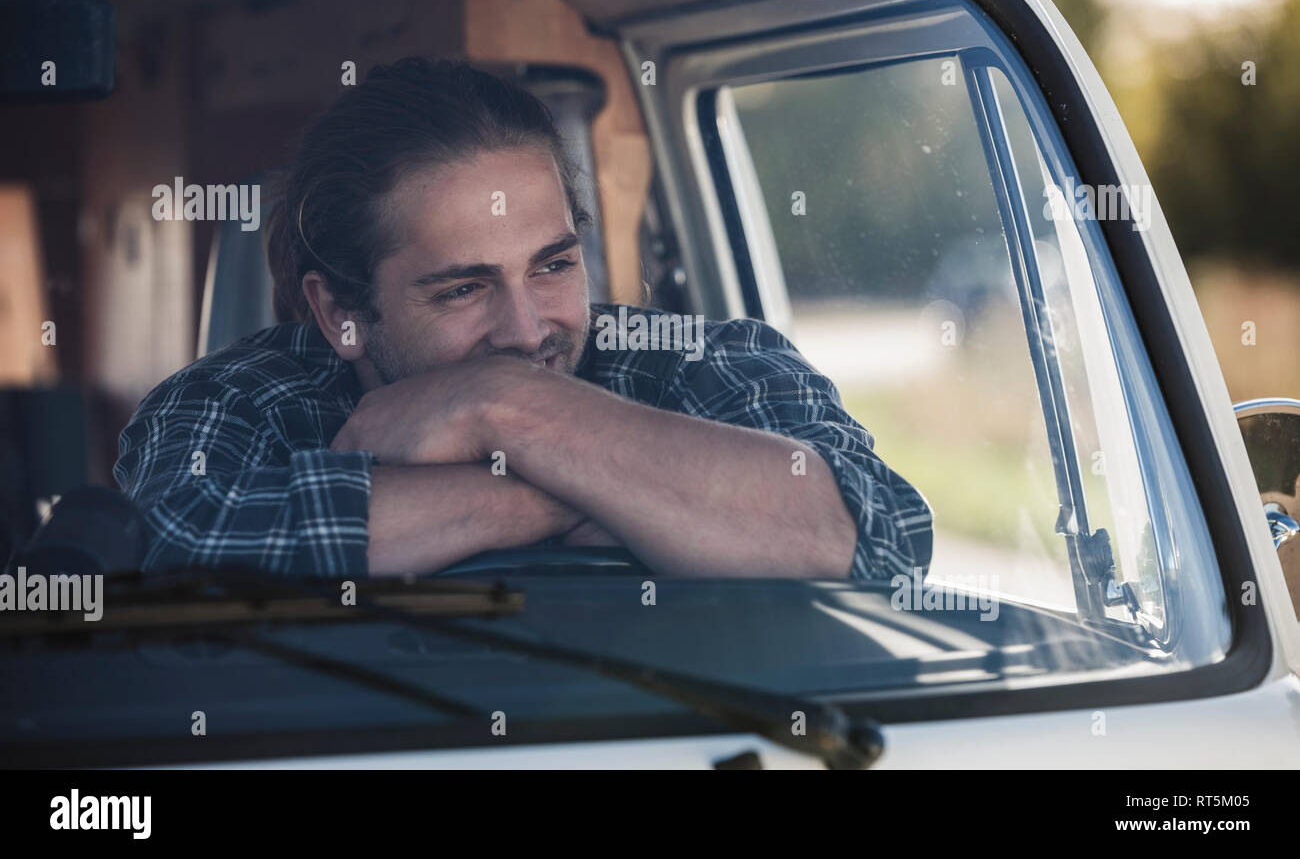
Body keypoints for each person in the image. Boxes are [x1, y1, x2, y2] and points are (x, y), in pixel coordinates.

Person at [114, 56, 932, 580]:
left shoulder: (695, 361)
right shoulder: (238, 400)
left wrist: (505, 409)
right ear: (341, 313)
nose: (526, 330)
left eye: (553, 264)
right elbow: (175, 542)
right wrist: (623, 493)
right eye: (463, 289)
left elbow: (878, 537)